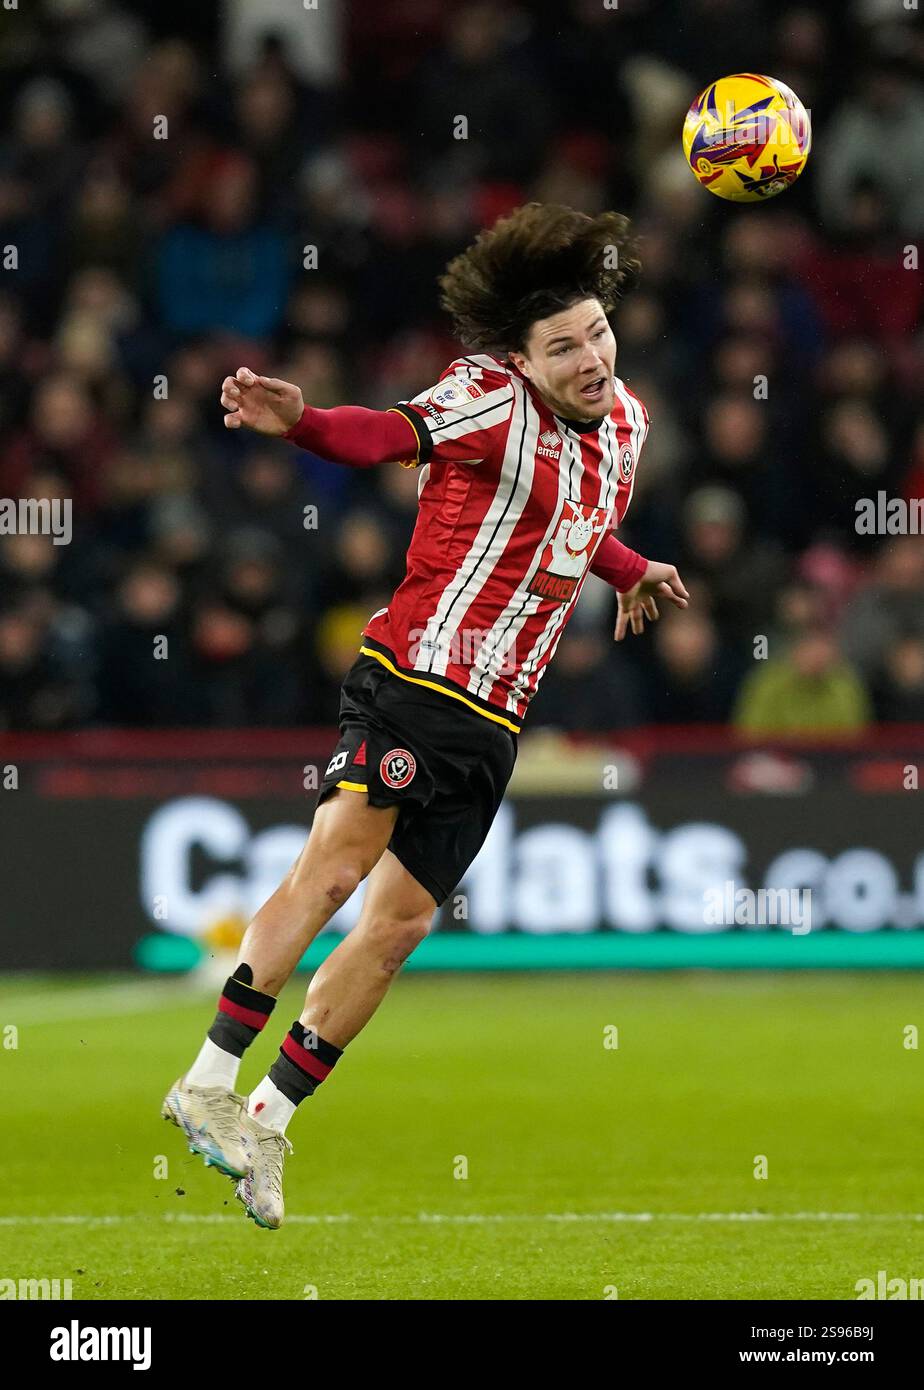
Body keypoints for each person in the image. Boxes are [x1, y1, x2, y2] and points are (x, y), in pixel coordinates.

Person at [162, 203, 689, 1228]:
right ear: (522, 360)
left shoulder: (627, 422)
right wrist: (304, 422)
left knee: (398, 929)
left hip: (496, 720)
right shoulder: (486, 396)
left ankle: (267, 1118)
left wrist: (629, 565)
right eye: (564, 346)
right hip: (417, 676)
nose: (592, 356)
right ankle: (208, 1078)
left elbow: (576, 519)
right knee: (337, 865)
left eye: (598, 332)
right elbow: (386, 434)